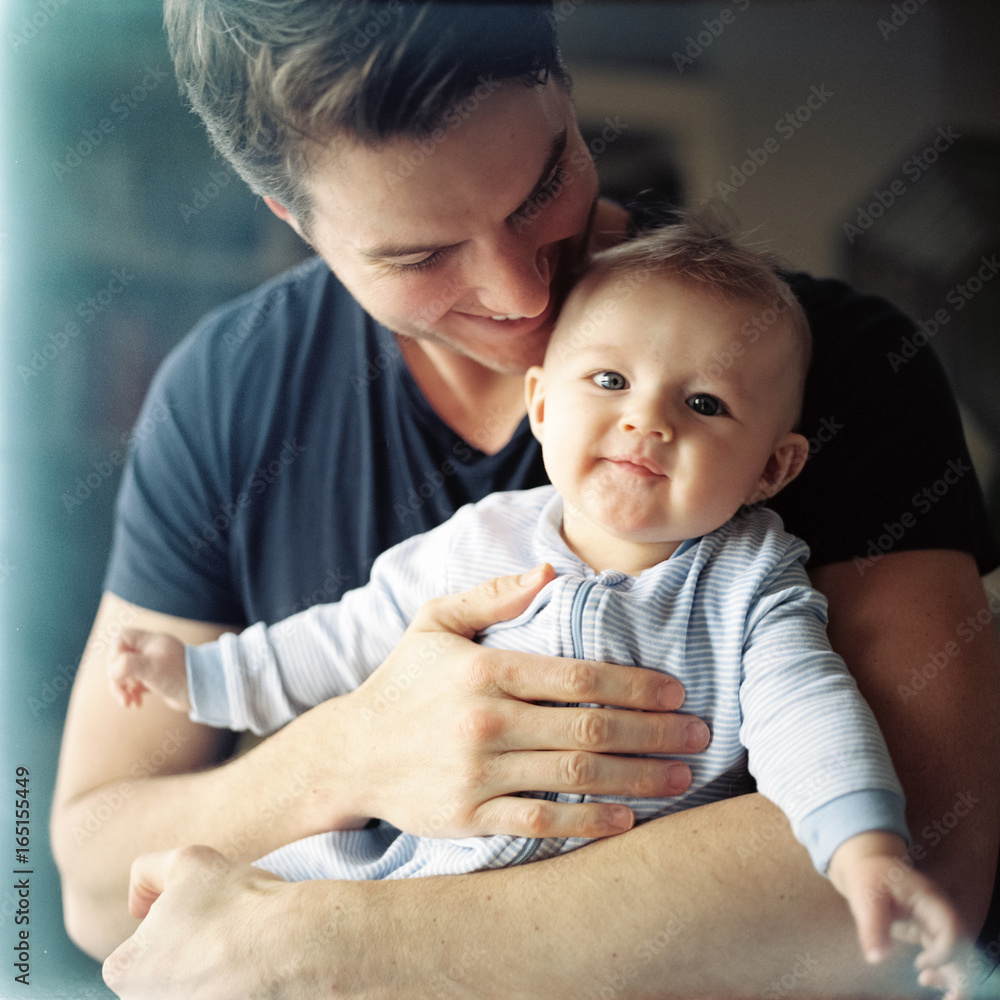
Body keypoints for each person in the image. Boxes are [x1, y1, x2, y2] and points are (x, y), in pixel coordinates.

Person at [49, 4, 999, 998]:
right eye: (418, 256)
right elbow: (93, 882)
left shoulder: (818, 366)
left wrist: (338, 945)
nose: (519, 294)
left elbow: (916, 881)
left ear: (565, 89)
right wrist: (348, 754)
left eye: (543, 183)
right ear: (295, 221)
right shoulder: (227, 393)